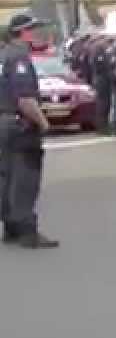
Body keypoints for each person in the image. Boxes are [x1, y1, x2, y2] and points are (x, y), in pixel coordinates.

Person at [0, 13, 57, 248]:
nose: (38, 34)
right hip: (19, 126)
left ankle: (10, 226)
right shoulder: (19, 58)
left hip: (4, 123)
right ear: (24, 33)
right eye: (34, 29)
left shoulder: (4, 56)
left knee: (6, 176)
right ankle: (26, 230)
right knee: (25, 178)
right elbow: (25, 100)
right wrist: (43, 122)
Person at [90, 34, 115, 134]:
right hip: (101, 79)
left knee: (105, 103)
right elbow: (102, 65)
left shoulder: (99, 50)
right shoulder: (98, 51)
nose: (106, 42)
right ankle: (102, 127)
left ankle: (103, 125)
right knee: (103, 104)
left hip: (102, 79)